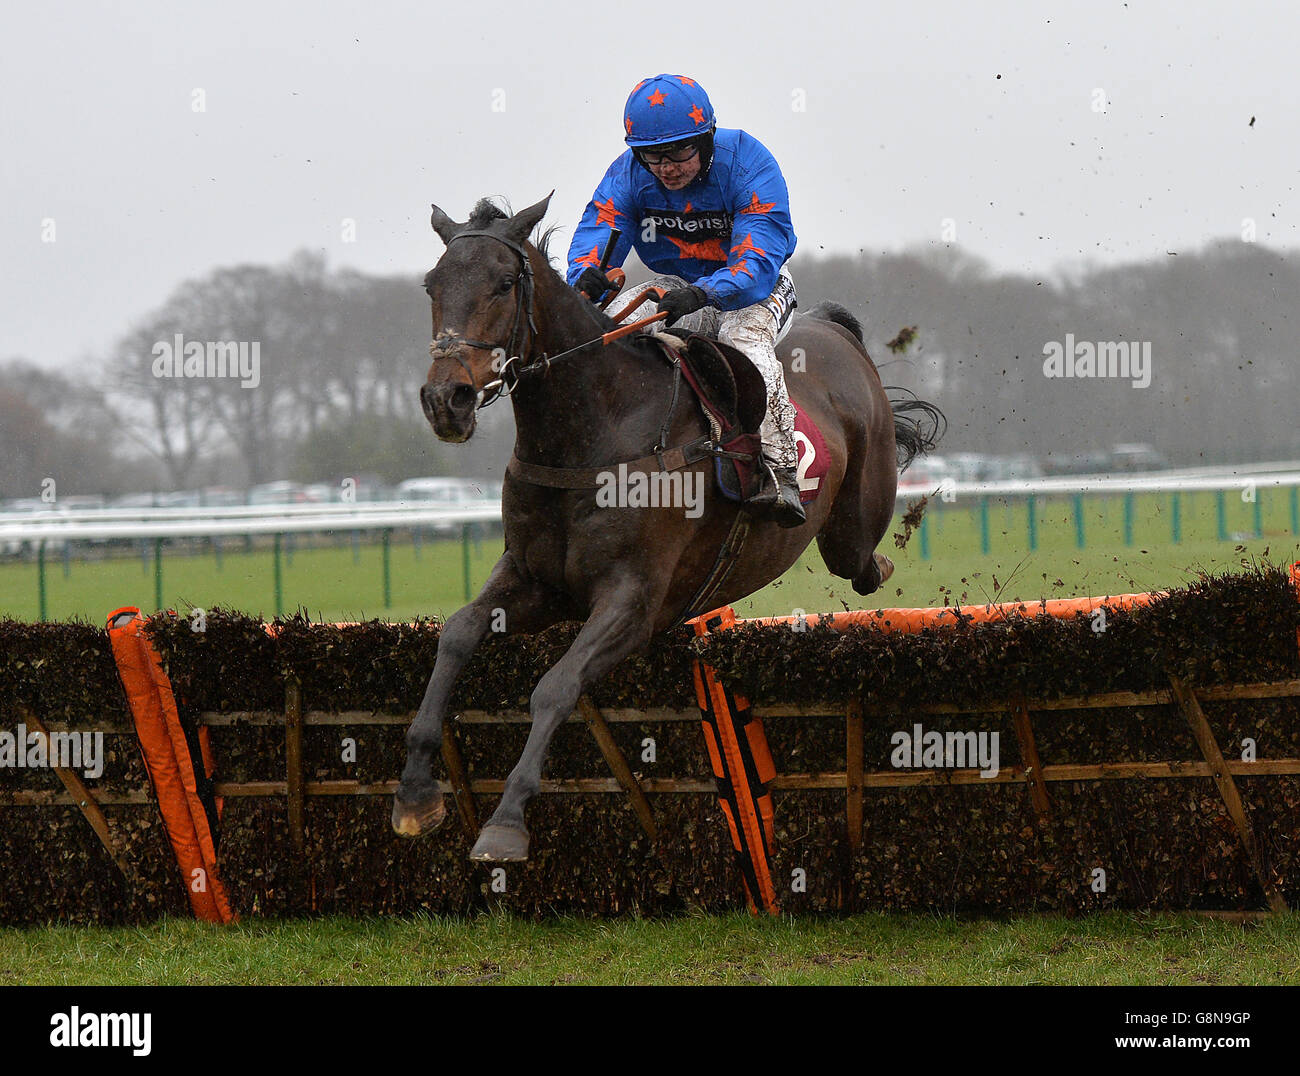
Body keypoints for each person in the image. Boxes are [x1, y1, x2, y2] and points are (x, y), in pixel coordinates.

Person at [565, 73, 805, 527]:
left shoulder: (749, 162)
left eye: (679, 151)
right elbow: (599, 235)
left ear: (707, 138)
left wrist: (703, 293)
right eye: (652, 155)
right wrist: (587, 276)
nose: (667, 167)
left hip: (758, 288)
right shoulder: (629, 174)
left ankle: (781, 473)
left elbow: (757, 259)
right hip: (680, 286)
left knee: (743, 343)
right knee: (606, 324)